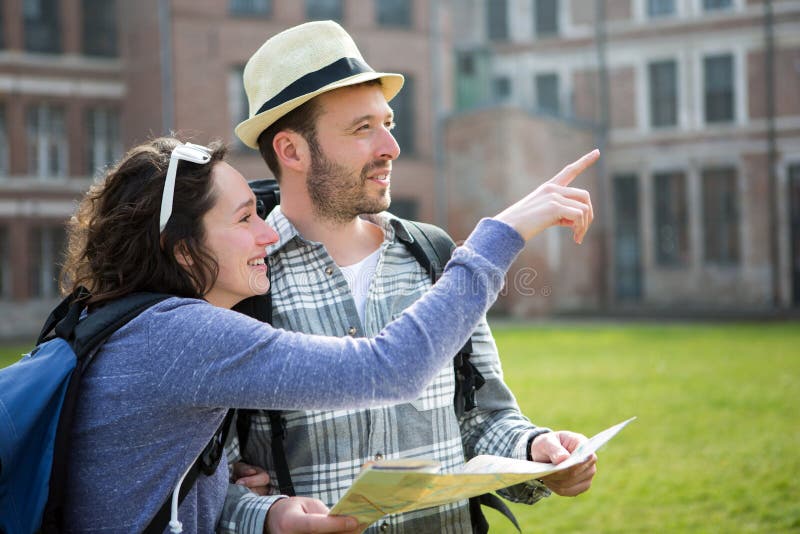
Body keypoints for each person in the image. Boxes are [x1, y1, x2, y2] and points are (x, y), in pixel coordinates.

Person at [57, 134, 596, 533]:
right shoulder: (183, 336)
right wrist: (498, 238)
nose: (267, 232)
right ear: (183, 251)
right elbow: (390, 368)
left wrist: (251, 500)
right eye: (245, 218)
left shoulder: (142, 327)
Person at [221, 20, 598, 534]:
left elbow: (483, 417)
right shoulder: (240, 284)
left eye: (389, 121)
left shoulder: (434, 256)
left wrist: (536, 449)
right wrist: (264, 517)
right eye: (362, 128)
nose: (391, 146)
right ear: (291, 151)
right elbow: (206, 486)